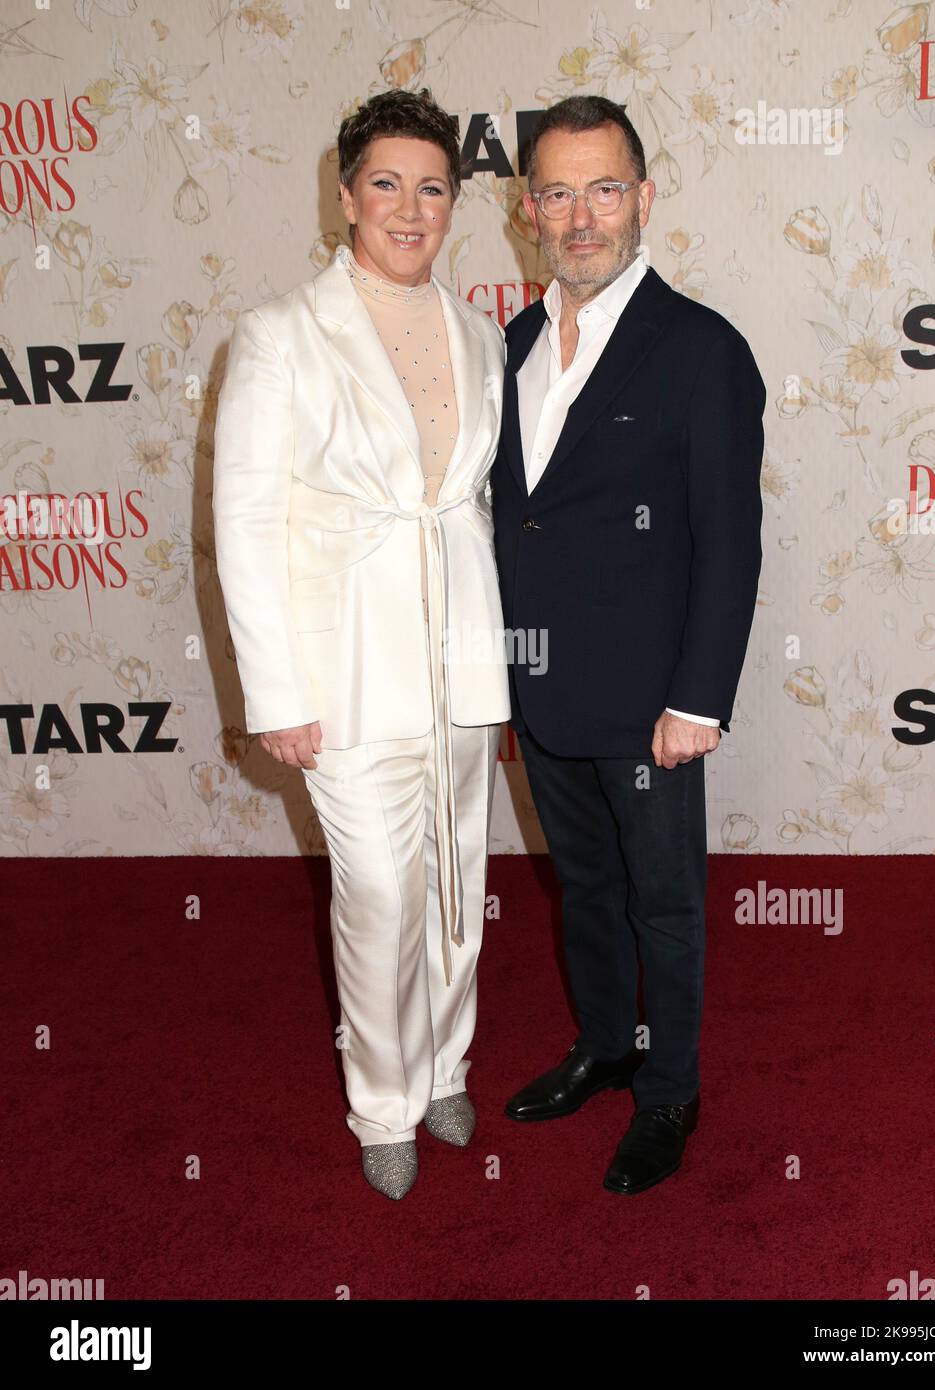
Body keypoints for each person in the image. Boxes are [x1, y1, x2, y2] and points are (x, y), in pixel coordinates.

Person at [212, 88, 510, 1200]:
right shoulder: (282, 334)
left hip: (461, 662)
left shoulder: (478, 332)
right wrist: (276, 690)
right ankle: (382, 1098)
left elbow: (472, 508)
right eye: (386, 182)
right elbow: (245, 524)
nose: (410, 205)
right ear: (345, 197)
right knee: (381, 889)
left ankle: (444, 1066)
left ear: (452, 206)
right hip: (341, 673)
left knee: (457, 880)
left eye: (432, 186)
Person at [491, 95, 765, 1194]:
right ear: (528, 210)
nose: (582, 214)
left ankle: (671, 1091)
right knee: (584, 889)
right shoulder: (507, 342)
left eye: (605, 188)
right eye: (558, 191)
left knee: (663, 902)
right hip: (541, 687)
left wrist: (697, 699)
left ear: (643, 198)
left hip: (653, 702)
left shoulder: (700, 349)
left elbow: (729, 543)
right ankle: (606, 1046)